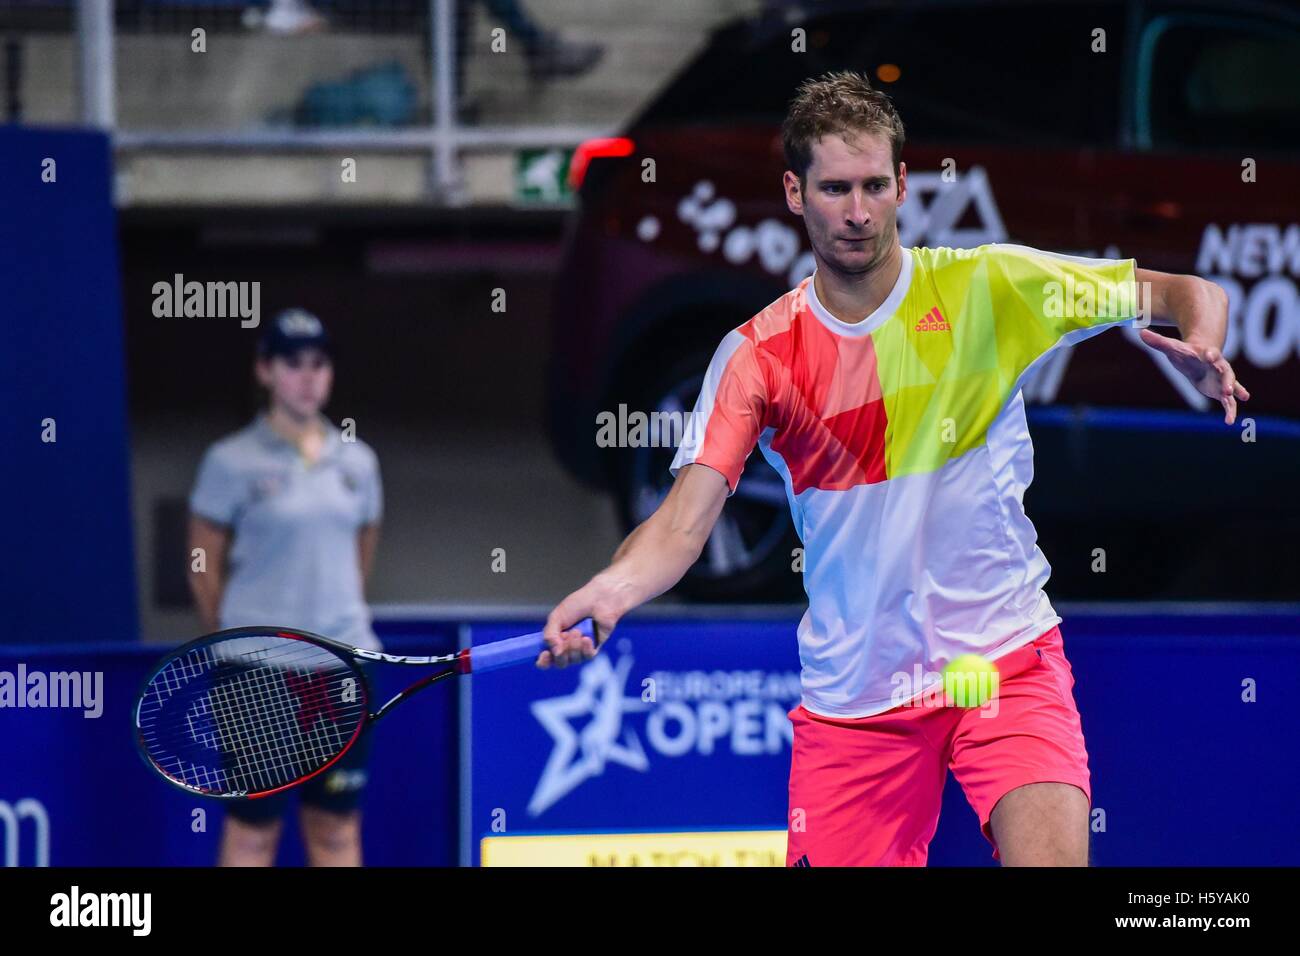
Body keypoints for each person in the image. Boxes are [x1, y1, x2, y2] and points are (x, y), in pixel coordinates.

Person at [537, 71, 1249, 866]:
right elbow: (682, 522)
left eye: (876, 185)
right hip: (858, 703)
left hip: (1005, 660)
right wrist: (612, 589)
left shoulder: (988, 289)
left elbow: (1185, 290)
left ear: (903, 184)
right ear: (793, 192)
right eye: (835, 188)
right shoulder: (756, 358)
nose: (858, 211)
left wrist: (1202, 346)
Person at [187, 307, 384, 867]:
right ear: (265, 371)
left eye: (319, 364)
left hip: (342, 667)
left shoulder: (360, 463)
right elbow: (201, 563)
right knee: (254, 830)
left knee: (337, 827)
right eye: (292, 363)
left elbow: (360, 553)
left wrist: (333, 625)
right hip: (256, 672)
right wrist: (230, 642)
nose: (307, 376)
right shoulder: (228, 461)